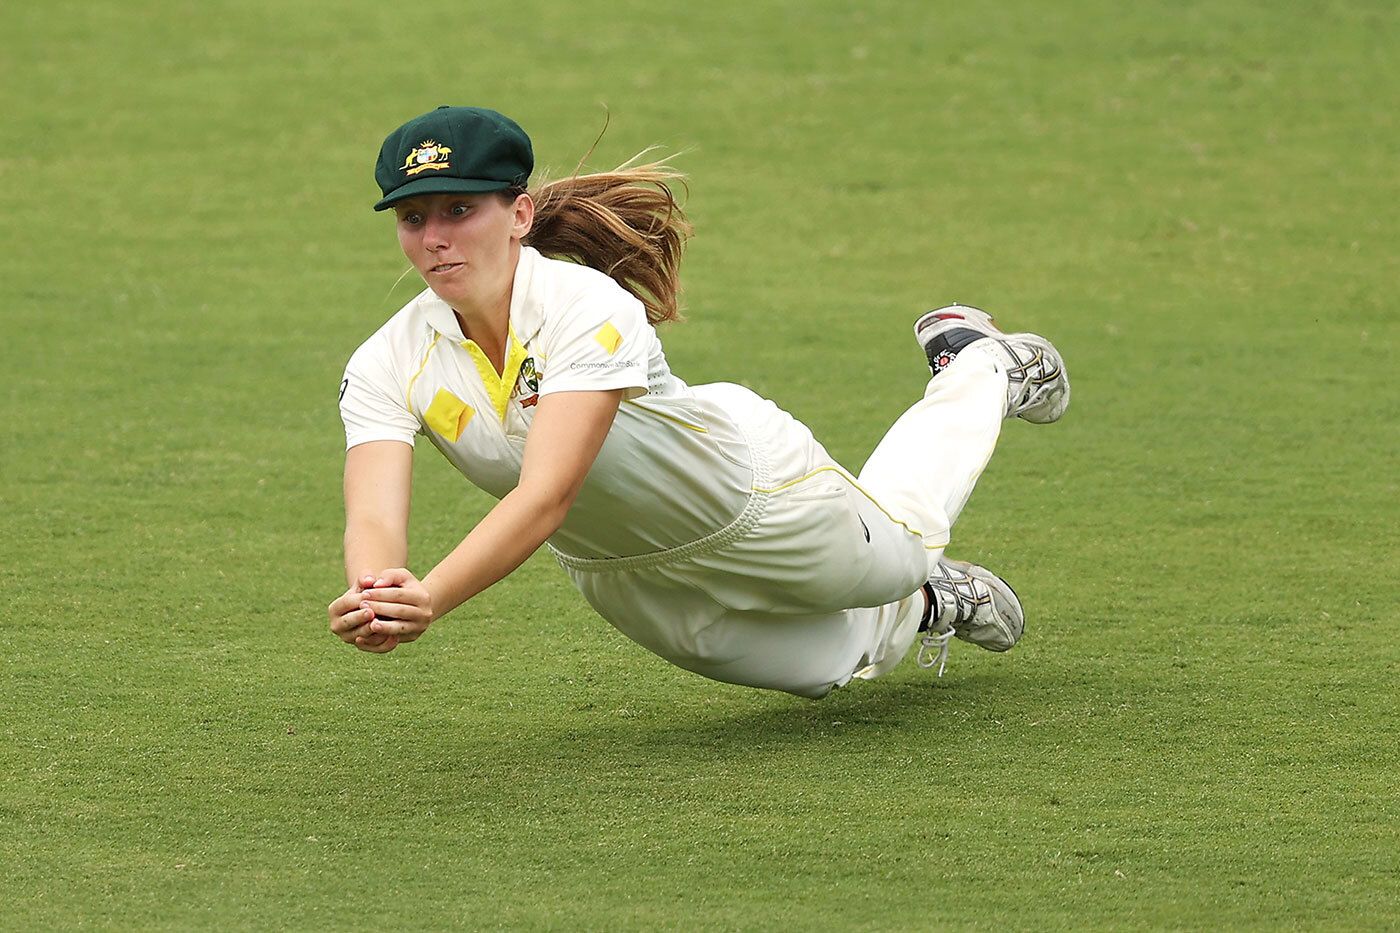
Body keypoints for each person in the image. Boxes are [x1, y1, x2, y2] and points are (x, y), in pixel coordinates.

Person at [327, 105, 1070, 699]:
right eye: (413, 218)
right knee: (820, 669)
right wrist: (377, 595)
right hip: (619, 569)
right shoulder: (385, 360)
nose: (434, 238)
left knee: (901, 553)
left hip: (752, 496)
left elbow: (547, 494)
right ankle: (931, 604)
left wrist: (433, 597)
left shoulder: (585, 306)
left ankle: (977, 366)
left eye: (459, 210)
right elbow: (372, 513)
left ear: (519, 215)